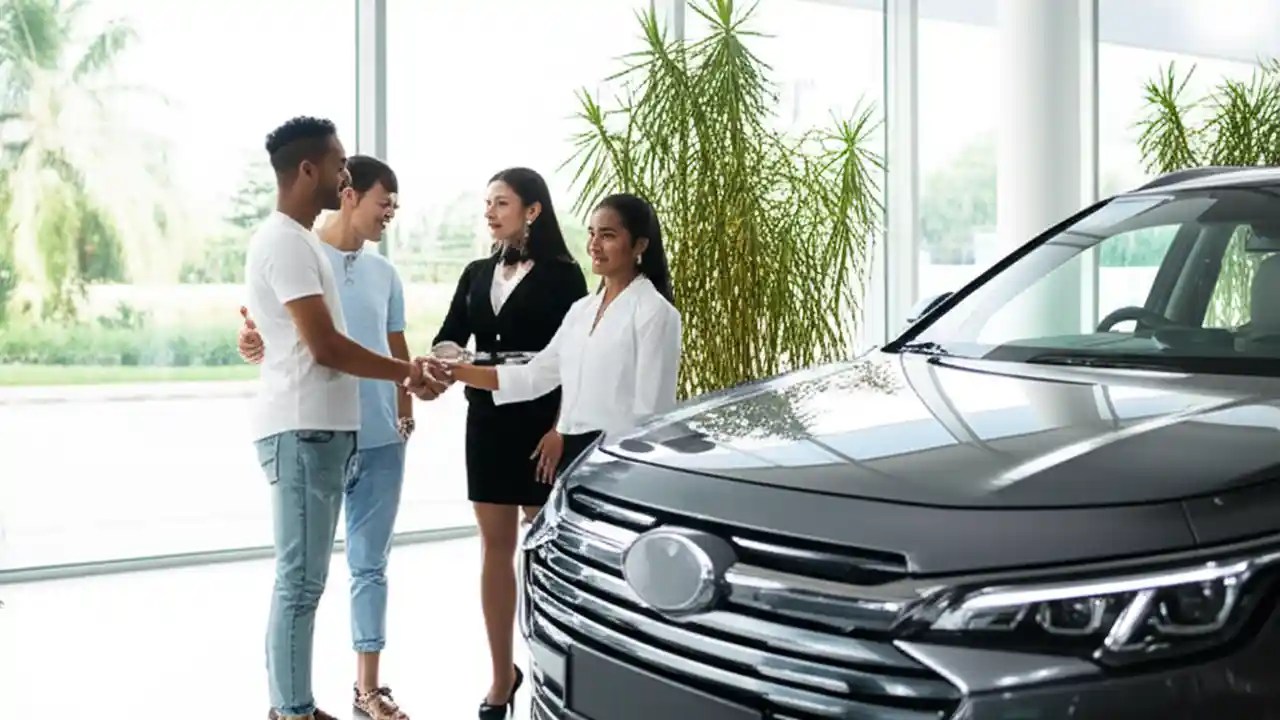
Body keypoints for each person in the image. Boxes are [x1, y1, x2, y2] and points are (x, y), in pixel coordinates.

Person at [243, 116, 432, 720]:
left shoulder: (297, 243)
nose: (344, 173)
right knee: (299, 583)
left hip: (323, 430)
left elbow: (300, 338)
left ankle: (295, 706)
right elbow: (325, 346)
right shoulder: (286, 242)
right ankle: (290, 711)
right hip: (301, 429)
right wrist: (404, 374)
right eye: (338, 164)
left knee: (307, 583)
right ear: (308, 170)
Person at [427, 167, 588, 719]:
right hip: (487, 424)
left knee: (545, 552)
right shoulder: (475, 272)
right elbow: (449, 335)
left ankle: (553, 670)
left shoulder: (566, 277)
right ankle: (502, 677)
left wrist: (561, 429)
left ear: (533, 210)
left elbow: (576, 362)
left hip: (544, 426)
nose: (491, 212)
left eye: (501, 202)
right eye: (487, 203)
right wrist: (450, 358)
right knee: (494, 550)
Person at [424, 191, 680, 492]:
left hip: (619, 459)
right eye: (591, 234)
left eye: (607, 235)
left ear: (640, 245)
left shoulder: (655, 312)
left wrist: (636, 477)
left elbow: (651, 412)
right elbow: (534, 376)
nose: (594, 245)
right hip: (572, 456)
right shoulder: (581, 310)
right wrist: (453, 371)